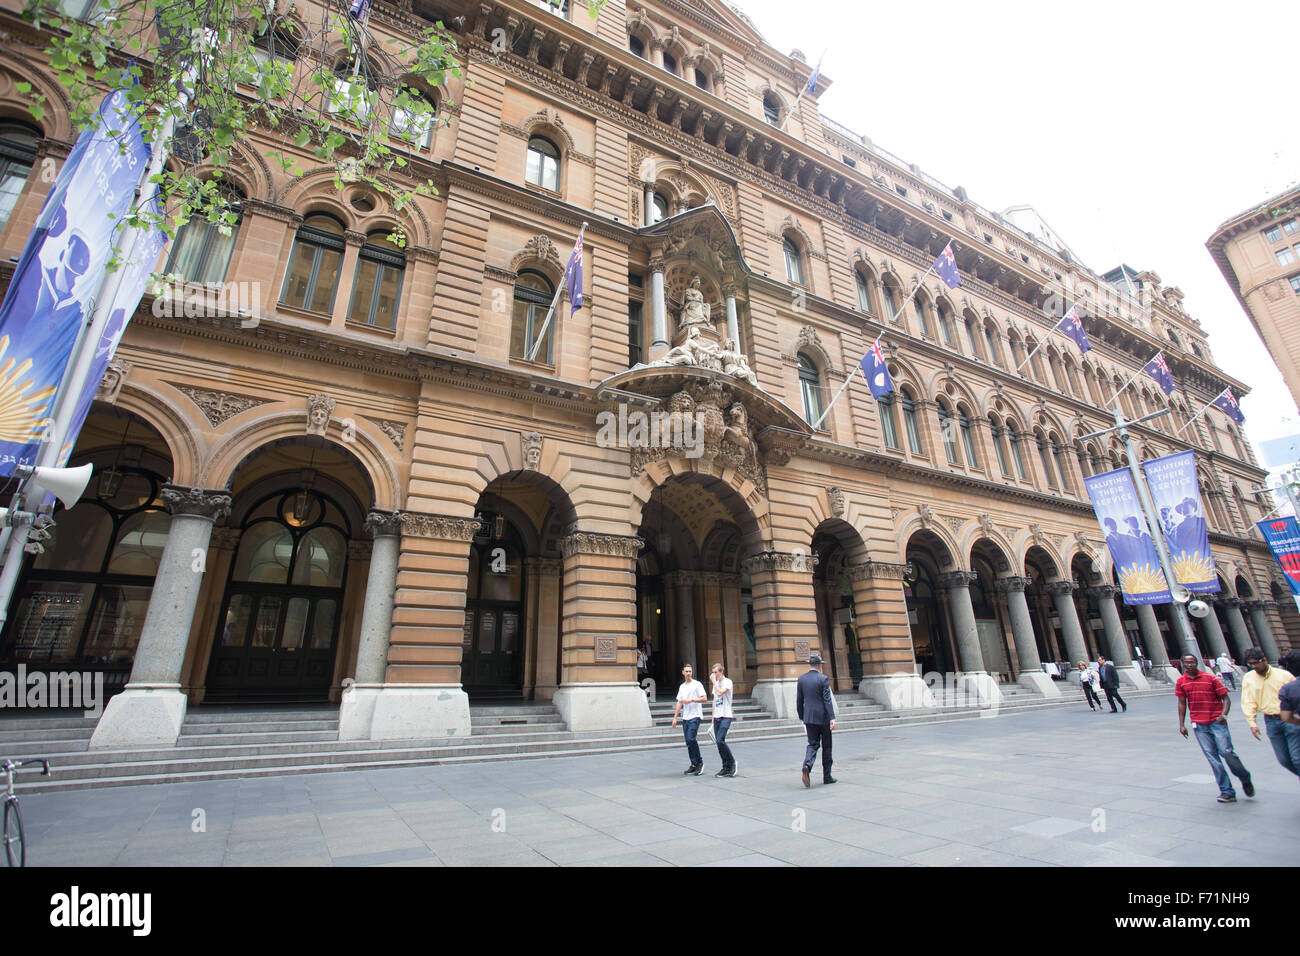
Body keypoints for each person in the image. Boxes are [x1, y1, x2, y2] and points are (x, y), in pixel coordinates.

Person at [1176, 654, 1254, 803]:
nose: (1189, 665)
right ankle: (1227, 791)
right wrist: (1181, 724)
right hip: (1199, 724)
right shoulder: (1181, 682)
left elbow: (1225, 698)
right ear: (1183, 664)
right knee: (1213, 759)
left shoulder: (1210, 678)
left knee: (1226, 752)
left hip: (1217, 722)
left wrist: (1223, 715)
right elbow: (1181, 703)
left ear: (1196, 662)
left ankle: (1244, 777)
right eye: (1186, 663)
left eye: (1192, 662)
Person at [1239, 647, 1297, 781]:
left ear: (1264, 660)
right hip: (1271, 721)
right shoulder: (1249, 678)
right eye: (1250, 664)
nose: (1253, 667)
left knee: (1297, 758)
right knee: (1284, 760)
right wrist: (1252, 723)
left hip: (1290, 718)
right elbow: (1248, 701)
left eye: (1255, 663)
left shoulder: (1283, 675)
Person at [796, 653, 836, 787]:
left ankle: (807, 765)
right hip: (823, 717)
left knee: (812, 744)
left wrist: (802, 716)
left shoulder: (801, 679)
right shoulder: (823, 679)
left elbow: (799, 700)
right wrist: (832, 718)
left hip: (809, 717)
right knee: (827, 746)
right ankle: (827, 776)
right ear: (819, 665)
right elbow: (827, 700)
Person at [671, 664, 707, 775]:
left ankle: (699, 763)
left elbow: (704, 698)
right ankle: (693, 764)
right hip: (686, 717)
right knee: (688, 741)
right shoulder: (682, 687)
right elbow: (679, 702)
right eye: (686, 671)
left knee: (691, 739)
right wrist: (675, 717)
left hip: (695, 716)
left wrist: (692, 700)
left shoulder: (697, 684)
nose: (688, 673)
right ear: (683, 672)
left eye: (690, 671)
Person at [709, 662, 737, 778]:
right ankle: (725, 766)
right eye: (713, 673)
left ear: (721, 672)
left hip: (726, 715)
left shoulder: (727, 682)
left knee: (720, 740)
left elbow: (720, 693)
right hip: (717, 716)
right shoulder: (716, 684)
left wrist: (714, 682)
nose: (714, 675)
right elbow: (715, 701)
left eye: (716, 672)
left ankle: (732, 763)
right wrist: (712, 718)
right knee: (718, 742)